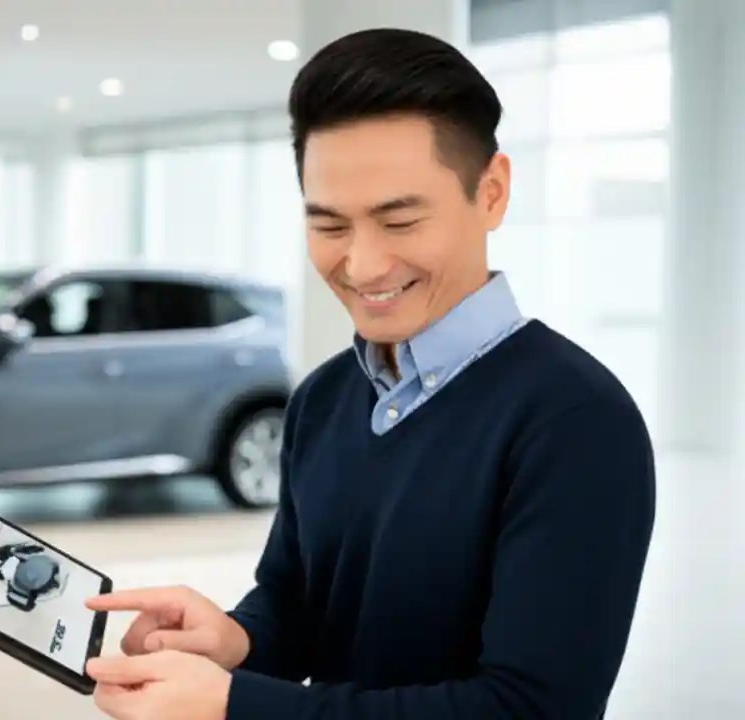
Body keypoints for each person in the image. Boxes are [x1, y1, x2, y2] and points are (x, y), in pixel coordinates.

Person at [83, 27, 656, 720]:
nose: (362, 265)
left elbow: (530, 708)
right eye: (329, 226)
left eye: (400, 221)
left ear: (492, 192)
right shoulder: (324, 397)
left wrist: (238, 706)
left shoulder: (576, 420)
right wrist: (237, 639)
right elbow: (298, 599)